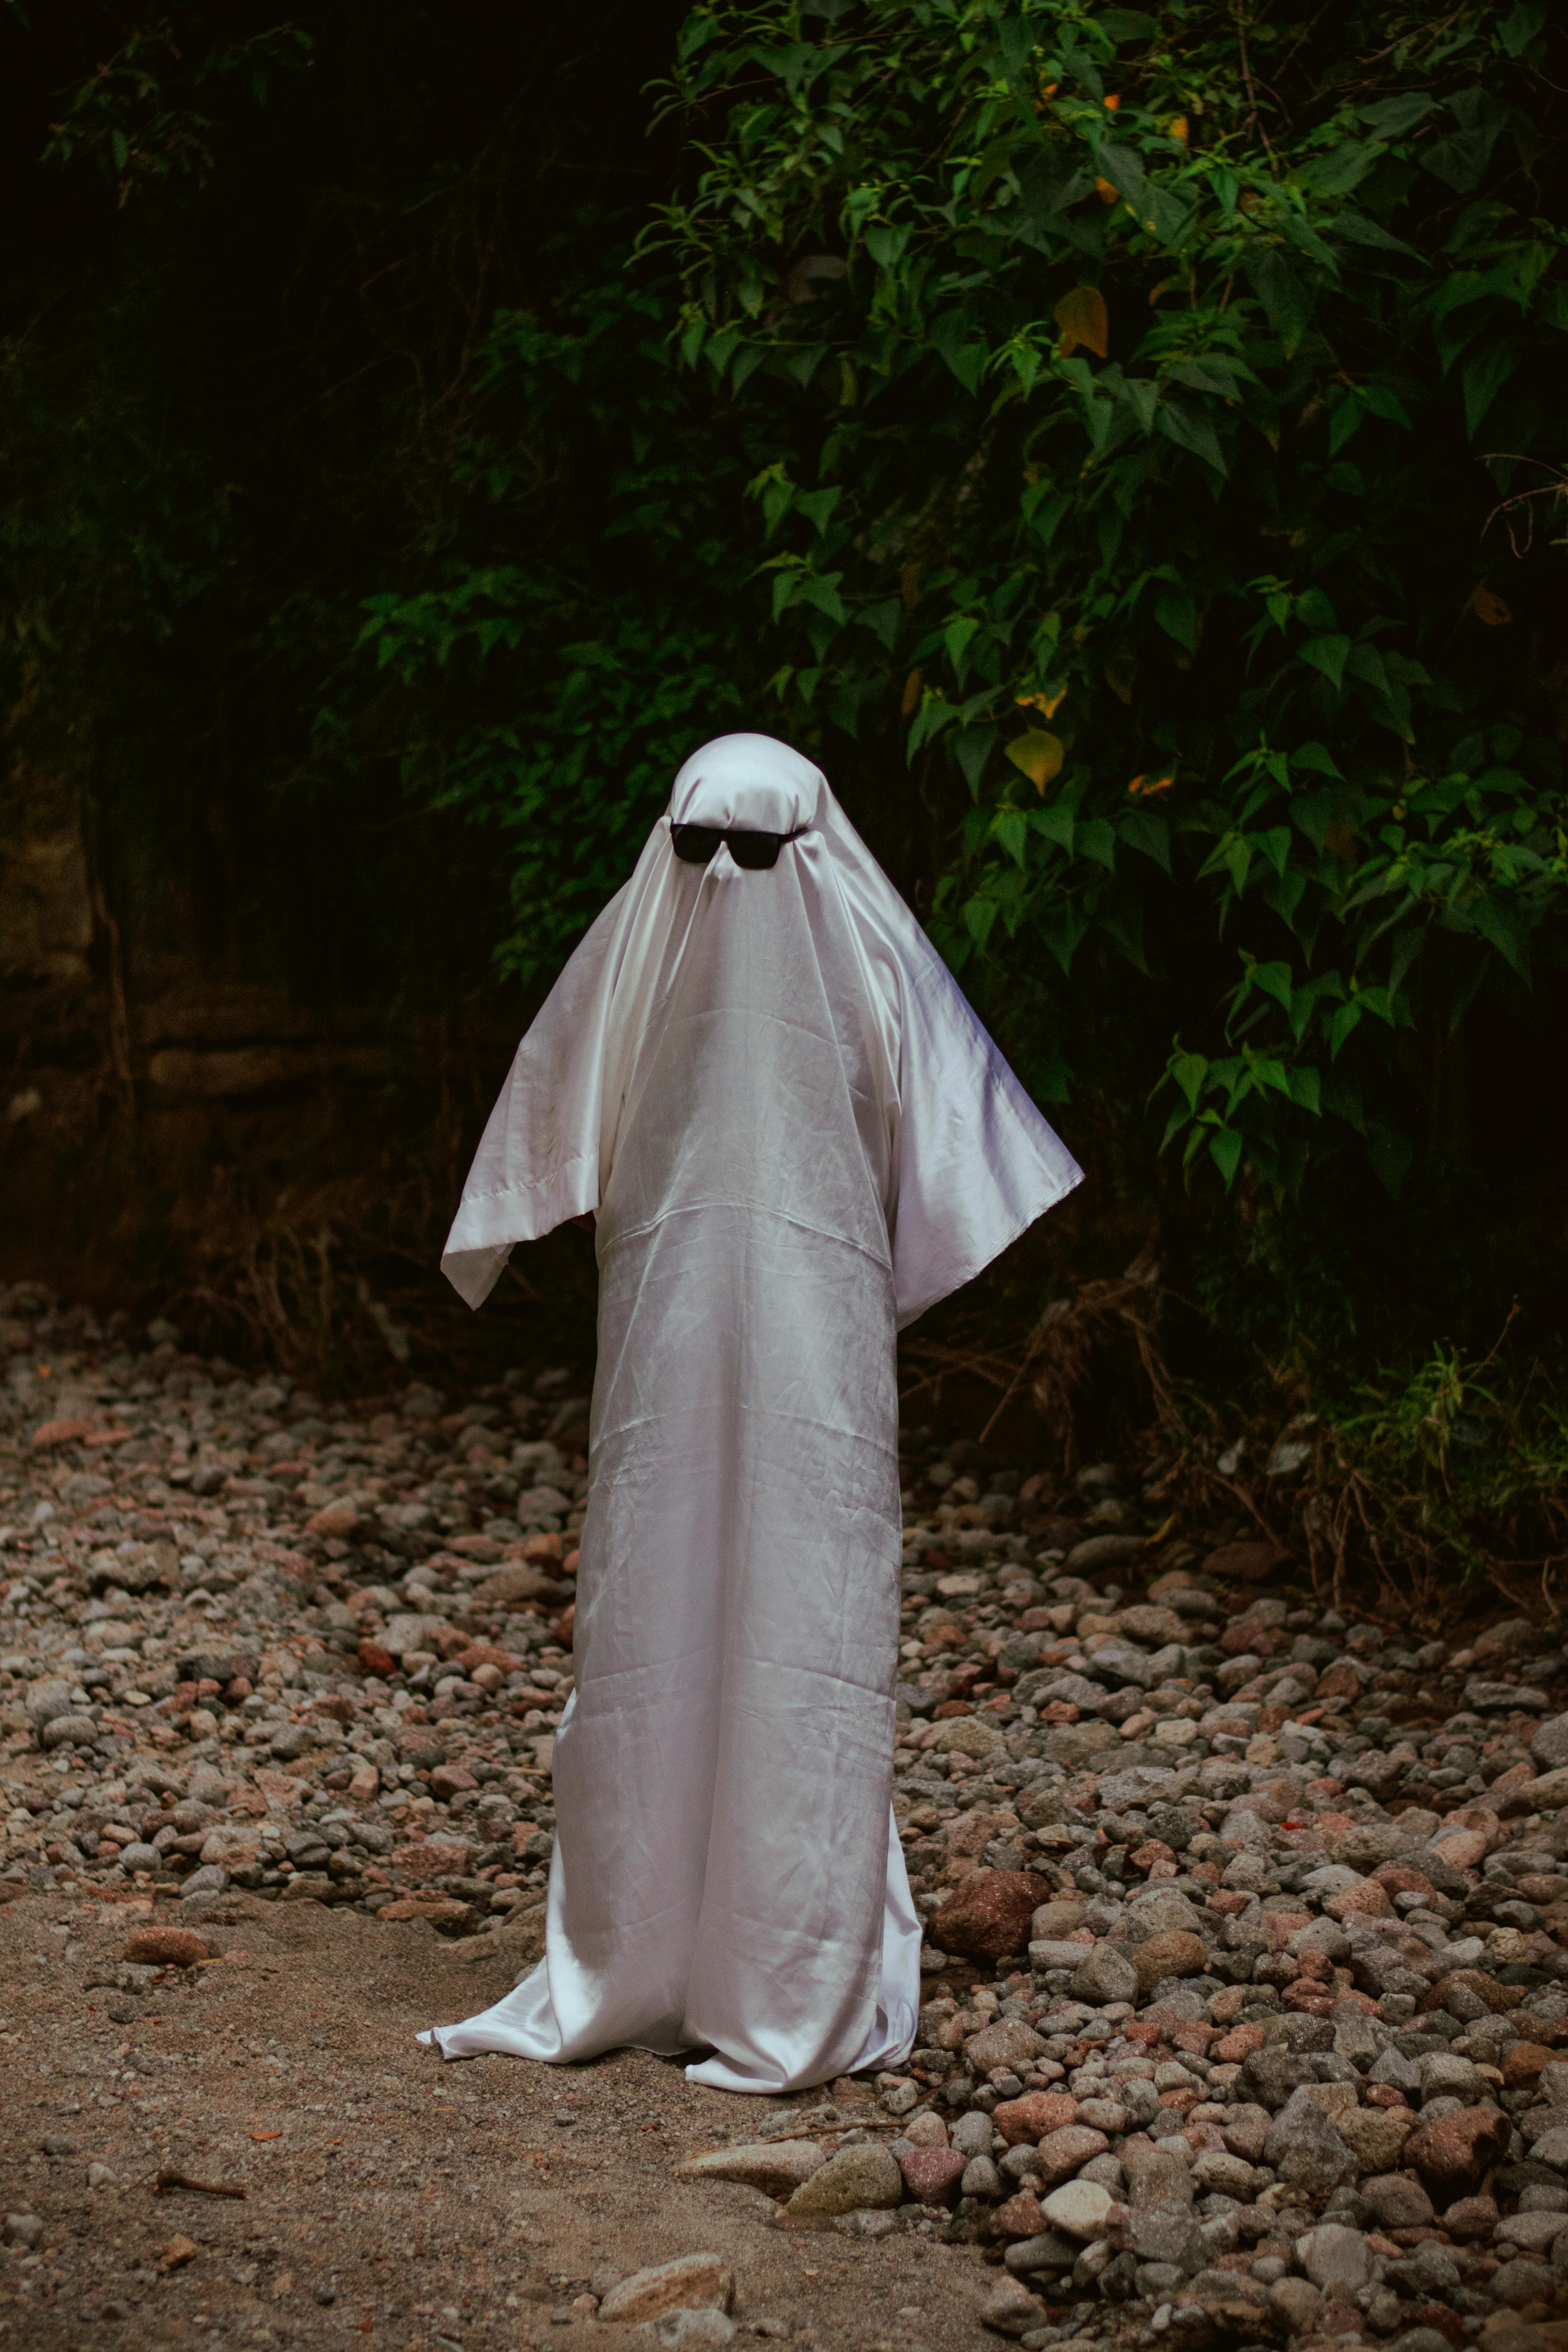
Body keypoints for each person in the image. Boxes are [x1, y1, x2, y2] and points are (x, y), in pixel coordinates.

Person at [418, 732, 1082, 2094]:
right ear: (668, 847)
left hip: (814, 1365)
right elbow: (555, 1111)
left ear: (811, 854)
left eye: (758, 850)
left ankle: (789, 1957)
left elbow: (955, 1155)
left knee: (804, 1624)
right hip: (661, 1353)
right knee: (651, 1624)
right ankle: (643, 1949)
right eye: (698, 847)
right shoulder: (641, 951)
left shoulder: (867, 959)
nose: (725, 878)